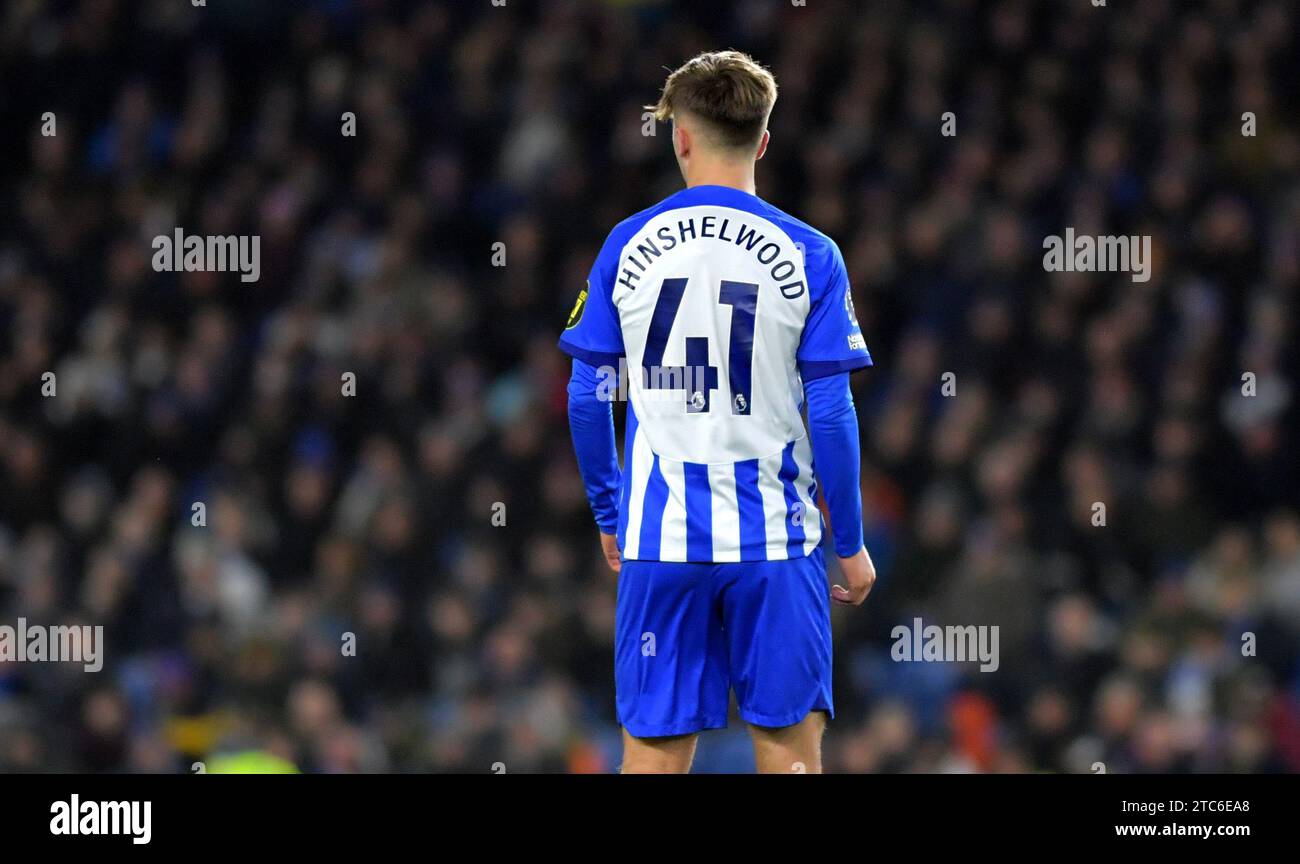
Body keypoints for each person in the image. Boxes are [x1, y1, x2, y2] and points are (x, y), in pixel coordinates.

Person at [559, 50, 876, 774]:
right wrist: (850, 542)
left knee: (653, 757)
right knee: (790, 755)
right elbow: (831, 412)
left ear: (680, 139)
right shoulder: (812, 254)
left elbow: (586, 396)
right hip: (773, 541)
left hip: (661, 538)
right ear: (763, 142)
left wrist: (613, 515)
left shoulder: (626, 243)